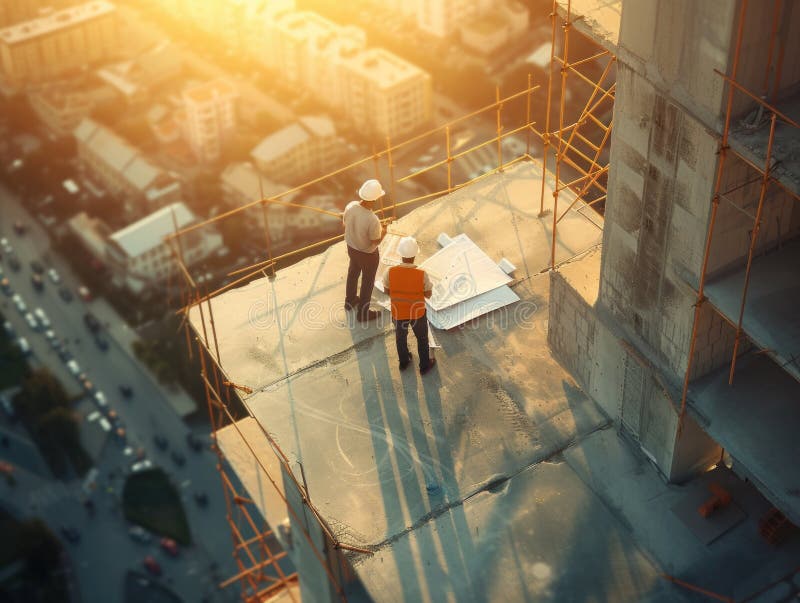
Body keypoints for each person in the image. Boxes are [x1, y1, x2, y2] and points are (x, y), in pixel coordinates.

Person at [383, 236, 437, 375]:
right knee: (422, 339)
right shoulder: (421, 274)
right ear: (414, 255)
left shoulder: (390, 272)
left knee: (400, 338)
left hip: (398, 312)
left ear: (400, 254)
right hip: (417, 313)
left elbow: (386, 290)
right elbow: (428, 294)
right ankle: (424, 366)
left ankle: (404, 362)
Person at [343, 179, 387, 322]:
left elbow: (344, 223)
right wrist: (384, 232)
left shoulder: (350, 206)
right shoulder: (372, 219)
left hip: (351, 248)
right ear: (374, 199)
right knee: (367, 283)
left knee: (353, 273)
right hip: (367, 255)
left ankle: (349, 301)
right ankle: (363, 314)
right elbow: (375, 241)